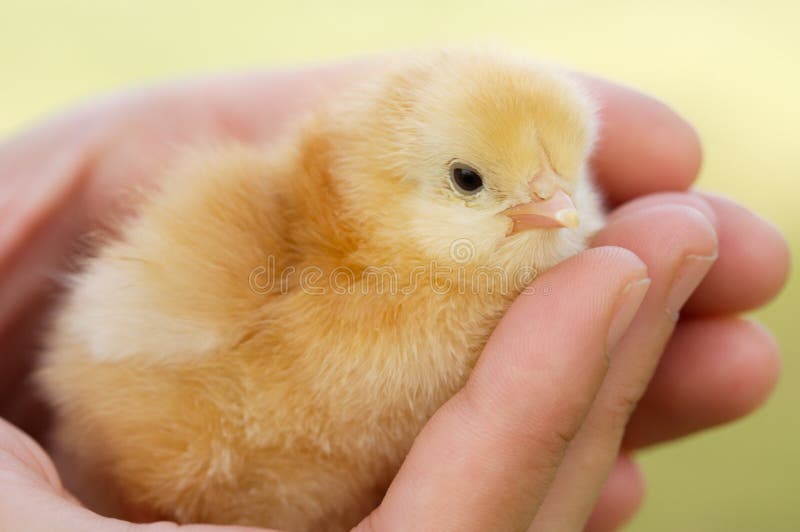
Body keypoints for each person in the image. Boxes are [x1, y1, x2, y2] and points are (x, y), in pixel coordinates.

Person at [0, 60, 789, 531]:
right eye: (472, 181)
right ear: (381, 191)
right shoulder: (255, 250)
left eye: (570, 167)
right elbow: (112, 363)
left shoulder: (523, 276)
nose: (559, 204)